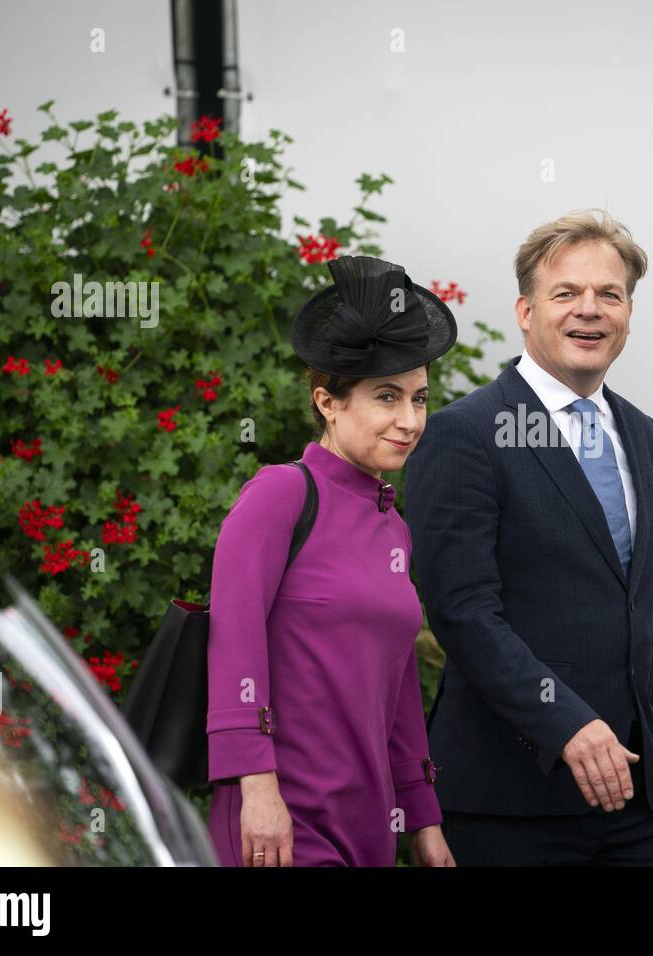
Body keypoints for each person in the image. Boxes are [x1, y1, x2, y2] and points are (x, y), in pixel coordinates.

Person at [405, 209, 653, 865]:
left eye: (609, 294)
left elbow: (637, 618)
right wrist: (566, 724)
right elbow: (462, 613)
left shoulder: (640, 431)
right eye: (565, 293)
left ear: (627, 312)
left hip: (639, 802)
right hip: (510, 806)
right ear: (526, 310)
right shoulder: (465, 434)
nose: (588, 311)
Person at [206, 255, 457, 867]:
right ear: (328, 401)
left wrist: (422, 820)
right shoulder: (282, 493)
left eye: (420, 399)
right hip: (281, 820)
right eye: (387, 397)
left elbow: (397, 689)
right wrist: (257, 789)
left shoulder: (393, 526)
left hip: (367, 822)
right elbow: (232, 641)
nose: (408, 420)